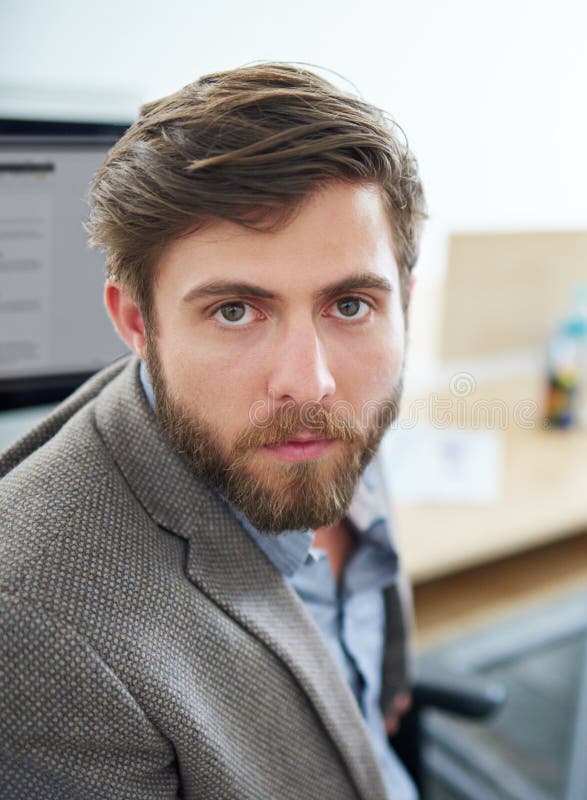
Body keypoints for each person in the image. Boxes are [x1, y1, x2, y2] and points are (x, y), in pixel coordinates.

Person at [0, 63, 426, 800]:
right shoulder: (36, 625)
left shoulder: (324, 411)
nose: (310, 382)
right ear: (138, 323)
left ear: (403, 307)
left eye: (350, 305)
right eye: (235, 311)